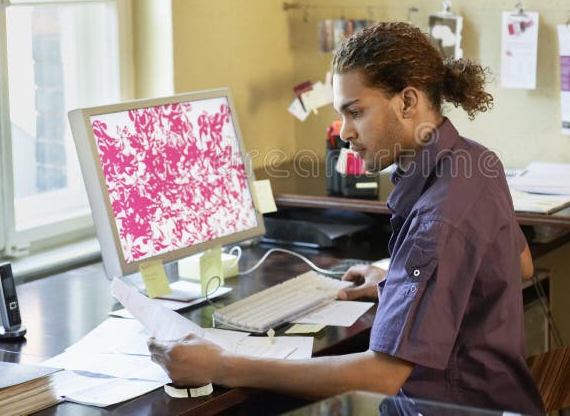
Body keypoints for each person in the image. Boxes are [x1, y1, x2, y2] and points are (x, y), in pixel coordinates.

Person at [148, 22, 544, 415]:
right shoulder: (476, 161)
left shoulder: (436, 220)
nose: (344, 133)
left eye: (355, 112)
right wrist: (402, 283)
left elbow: (381, 376)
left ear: (407, 102)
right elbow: (520, 265)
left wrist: (223, 365)